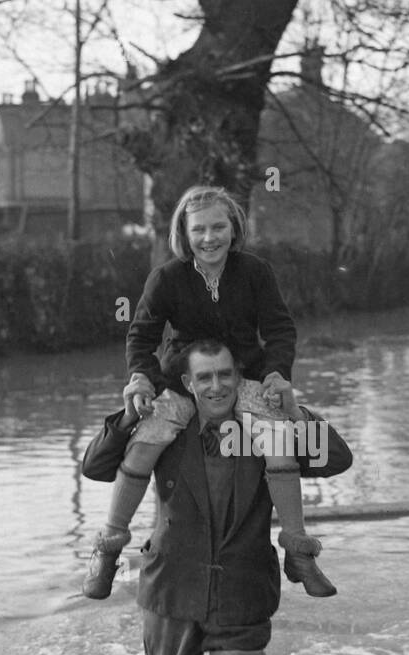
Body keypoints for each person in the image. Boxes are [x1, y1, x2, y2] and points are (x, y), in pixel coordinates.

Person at [81, 339, 353, 655]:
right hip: (171, 590)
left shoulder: (265, 428)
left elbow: (337, 459)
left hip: (242, 592)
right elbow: (95, 466)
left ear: (240, 379)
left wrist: (295, 413)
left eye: (225, 375)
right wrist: (126, 418)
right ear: (188, 382)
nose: (216, 387)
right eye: (204, 377)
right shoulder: (164, 425)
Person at [83, 185, 336, 601]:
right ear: (184, 233)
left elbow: (279, 329)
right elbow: (140, 336)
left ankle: (298, 551)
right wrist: (141, 379)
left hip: (243, 377)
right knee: (145, 443)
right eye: (199, 229)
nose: (209, 237)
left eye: (219, 227)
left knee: (278, 442)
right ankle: (108, 548)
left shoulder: (256, 272)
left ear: (234, 228)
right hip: (182, 380)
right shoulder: (166, 278)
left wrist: (276, 373)